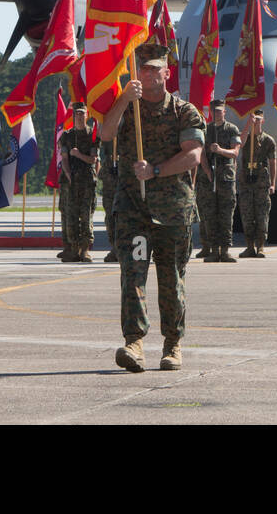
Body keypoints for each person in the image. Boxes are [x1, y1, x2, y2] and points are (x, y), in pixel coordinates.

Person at [101, 43, 205, 372]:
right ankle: (134, 342)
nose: (148, 75)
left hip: (173, 210)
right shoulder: (128, 109)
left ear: (167, 73)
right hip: (134, 208)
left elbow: (193, 155)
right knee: (133, 274)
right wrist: (122, 100)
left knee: (171, 278)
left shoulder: (184, 111)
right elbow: (105, 133)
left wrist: (156, 170)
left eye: (154, 69)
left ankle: (172, 346)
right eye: (143, 69)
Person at [197, 100, 242, 262]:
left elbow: (235, 152)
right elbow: (201, 152)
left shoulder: (231, 129)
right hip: (209, 179)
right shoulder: (206, 130)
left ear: (224, 112)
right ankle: (213, 250)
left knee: (226, 214)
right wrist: (207, 170)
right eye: (214, 111)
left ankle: (225, 250)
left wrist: (220, 150)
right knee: (210, 215)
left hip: (225, 178)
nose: (217, 113)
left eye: (220, 111)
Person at [62, 102, 99, 263]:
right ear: (73, 116)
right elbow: (64, 159)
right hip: (72, 181)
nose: (79, 116)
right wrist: (68, 174)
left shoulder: (92, 135)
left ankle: (85, 250)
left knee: (86, 216)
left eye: (82, 114)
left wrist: (78, 155)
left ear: (87, 115)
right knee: (71, 216)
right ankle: (74, 249)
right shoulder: (67, 136)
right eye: (76, 114)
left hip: (87, 181)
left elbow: (93, 159)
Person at [237, 110, 277, 258]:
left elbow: (273, 163)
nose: (257, 122)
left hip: (261, 182)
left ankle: (260, 246)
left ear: (263, 121)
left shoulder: (268, 141)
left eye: (259, 120)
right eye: (255, 119)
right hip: (246, 181)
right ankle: (249, 246)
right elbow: (240, 144)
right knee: (247, 215)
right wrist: (248, 124)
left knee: (262, 215)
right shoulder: (246, 137)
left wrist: (273, 183)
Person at [99, 138, 118, 263]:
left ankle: (122, 248)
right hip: (109, 184)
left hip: (126, 181)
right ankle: (115, 248)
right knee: (110, 218)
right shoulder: (108, 133)